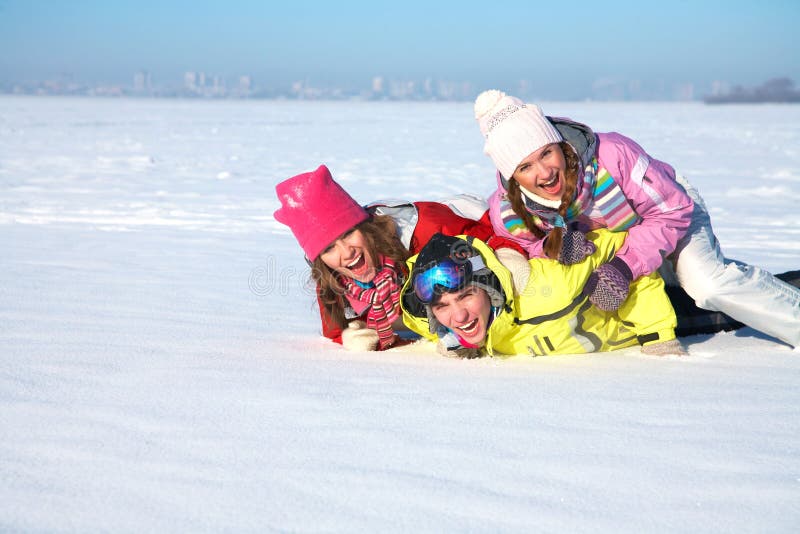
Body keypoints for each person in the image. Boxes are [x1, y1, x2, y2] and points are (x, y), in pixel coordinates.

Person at [473, 89, 800, 349]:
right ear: (512, 176)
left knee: (706, 284)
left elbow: (673, 211)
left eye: (546, 153)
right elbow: (525, 246)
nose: (544, 173)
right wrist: (554, 247)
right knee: (676, 294)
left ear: (559, 143)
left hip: (669, 209)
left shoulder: (612, 157)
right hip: (626, 237)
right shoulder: (509, 210)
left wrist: (624, 266)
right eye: (525, 167)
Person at [274, 164, 529, 351]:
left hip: (474, 220)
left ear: (365, 227)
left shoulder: (425, 231)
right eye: (329, 248)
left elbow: (494, 235)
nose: (346, 252)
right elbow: (334, 328)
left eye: (349, 233)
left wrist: (509, 257)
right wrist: (350, 336)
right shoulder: (334, 277)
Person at [401, 231, 683, 358]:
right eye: (442, 306)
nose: (458, 315)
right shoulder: (447, 325)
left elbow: (622, 245)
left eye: (466, 295)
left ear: (488, 286)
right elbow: (415, 318)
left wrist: (657, 334)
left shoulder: (548, 286)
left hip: (677, 302)